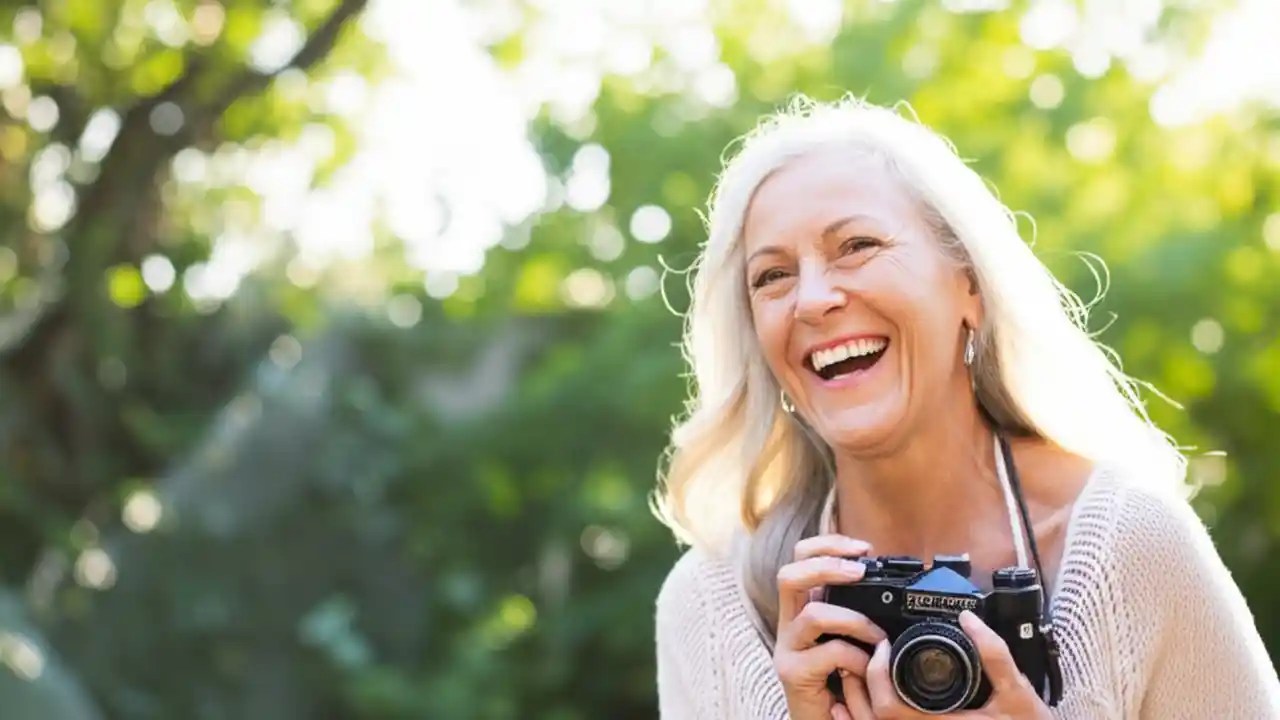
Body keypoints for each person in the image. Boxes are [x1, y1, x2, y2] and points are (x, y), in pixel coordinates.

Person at [651, 97, 1280, 719]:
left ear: (970, 287)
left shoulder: (1128, 546)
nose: (811, 300)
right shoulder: (711, 607)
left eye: (858, 245)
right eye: (772, 277)